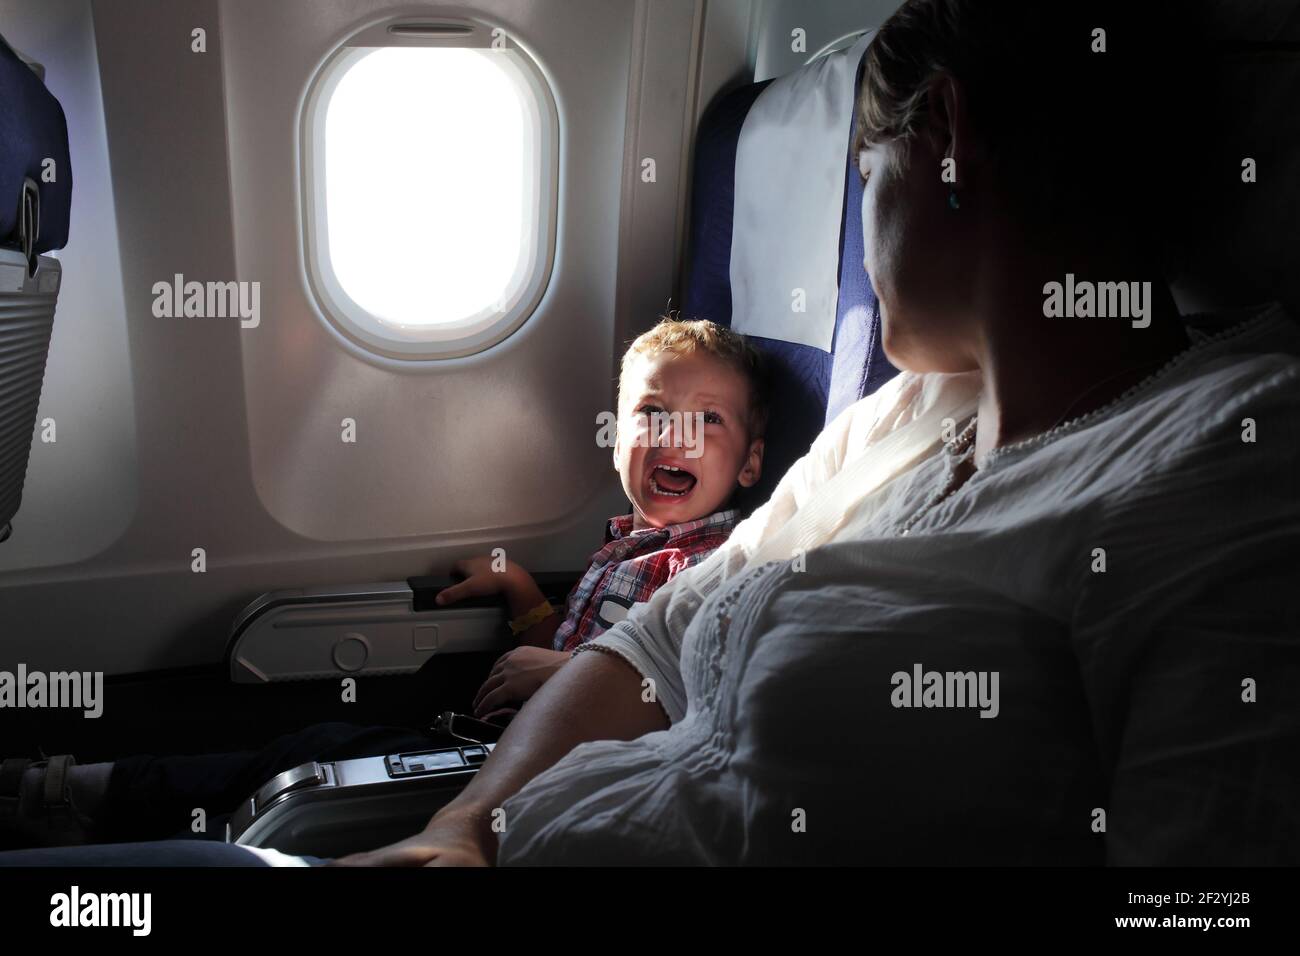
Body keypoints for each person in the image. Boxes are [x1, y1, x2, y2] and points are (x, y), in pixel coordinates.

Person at [4, 0, 1298, 867]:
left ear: (945, 140)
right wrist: (465, 823)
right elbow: (648, 641)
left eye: (864, 176)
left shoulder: (1229, 467)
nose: (860, 229)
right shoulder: (901, 423)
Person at [0, 317, 768, 849]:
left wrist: (571, 673)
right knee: (296, 751)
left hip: (531, 776)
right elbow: (557, 643)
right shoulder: (625, 549)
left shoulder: (717, 564)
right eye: (652, 413)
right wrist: (522, 593)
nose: (674, 436)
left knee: (311, 755)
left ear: (752, 463)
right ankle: (91, 807)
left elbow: (688, 687)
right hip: (493, 744)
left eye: (707, 421)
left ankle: (78, 802)